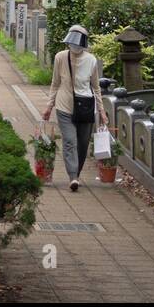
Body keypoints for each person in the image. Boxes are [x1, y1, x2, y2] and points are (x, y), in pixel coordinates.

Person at [41, 24, 108, 191]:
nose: (75, 47)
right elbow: (55, 83)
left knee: (83, 143)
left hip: (85, 107)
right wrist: (49, 106)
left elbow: (96, 87)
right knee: (70, 141)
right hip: (64, 106)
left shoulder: (91, 60)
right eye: (72, 44)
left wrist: (101, 111)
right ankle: (73, 176)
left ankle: (76, 173)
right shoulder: (60, 58)